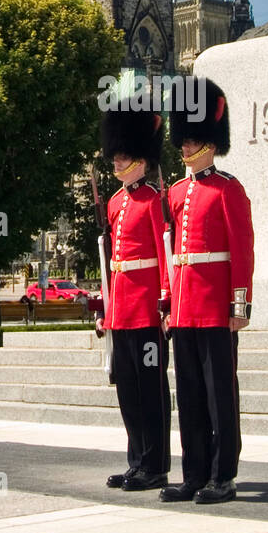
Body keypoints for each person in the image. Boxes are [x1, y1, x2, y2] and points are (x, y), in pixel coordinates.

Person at [161, 77, 254, 505]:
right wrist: (169, 307)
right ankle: (194, 472)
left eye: (192, 140)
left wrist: (240, 304)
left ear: (210, 144)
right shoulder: (177, 193)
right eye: (184, 140)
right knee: (191, 398)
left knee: (220, 395)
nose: (184, 147)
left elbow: (241, 250)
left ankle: (223, 475)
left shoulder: (229, 190)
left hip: (216, 307)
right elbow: (175, 253)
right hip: (184, 309)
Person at [94, 86, 172, 492]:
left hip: (146, 309)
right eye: (116, 155)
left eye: (123, 155)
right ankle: (135, 459)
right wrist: (105, 311)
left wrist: (166, 302)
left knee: (151, 391)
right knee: (126, 388)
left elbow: (164, 255)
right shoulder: (114, 203)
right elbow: (113, 264)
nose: (117, 161)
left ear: (141, 157)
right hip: (121, 311)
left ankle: (156, 464)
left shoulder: (155, 200)